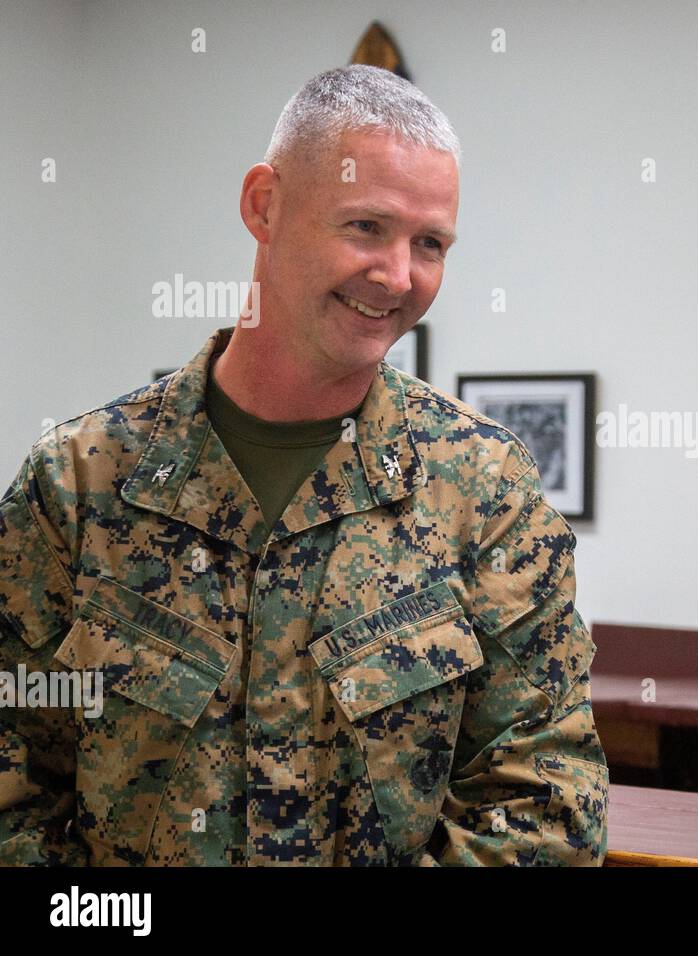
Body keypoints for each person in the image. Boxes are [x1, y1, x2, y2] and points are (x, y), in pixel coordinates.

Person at [0, 65, 607, 866]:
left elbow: (545, 807)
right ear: (265, 205)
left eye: (430, 244)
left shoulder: (483, 489)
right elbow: (15, 797)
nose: (398, 276)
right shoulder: (80, 484)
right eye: (365, 227)